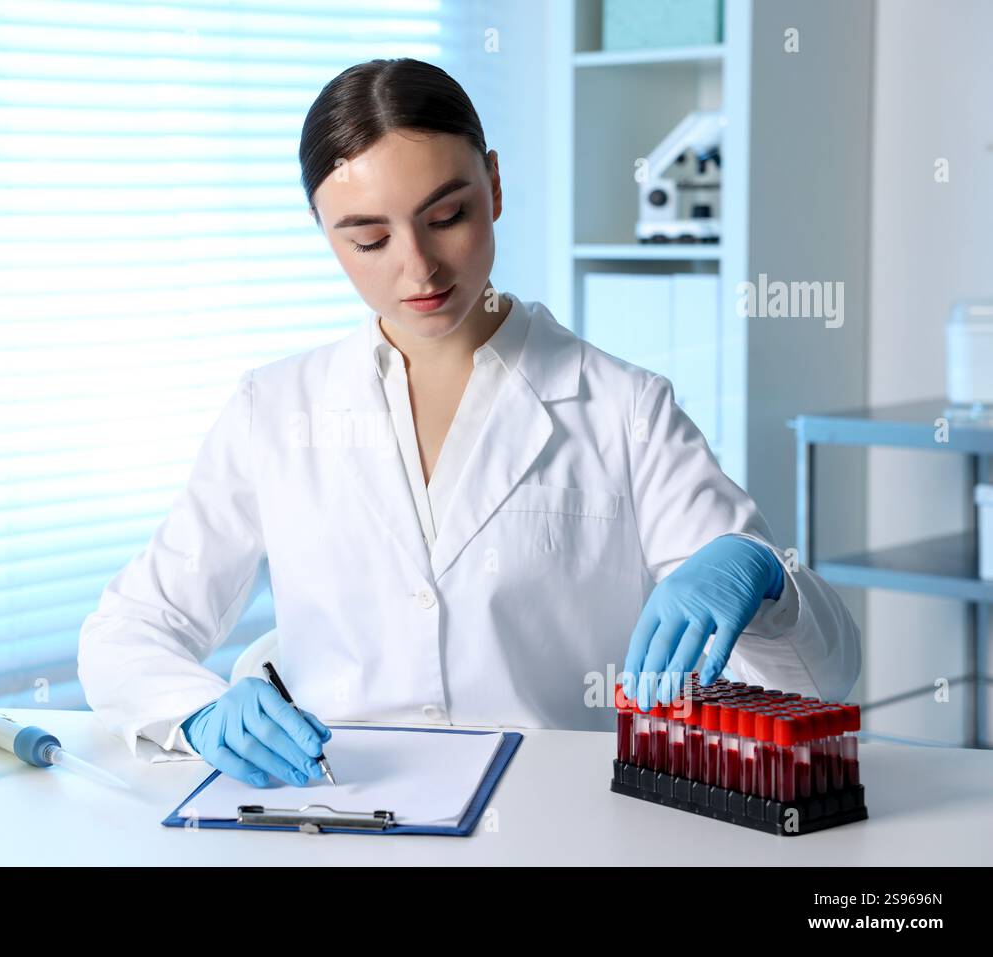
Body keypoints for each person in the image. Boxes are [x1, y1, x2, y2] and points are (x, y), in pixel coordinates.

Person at [78, 58, 860, 789]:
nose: (418, 267)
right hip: (343, 812)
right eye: (370, 238)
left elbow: (822, 674)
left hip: (563, 823)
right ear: (322, 227)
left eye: (446, 215)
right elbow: (126, 632)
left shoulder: (624, 408)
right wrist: (200, 710)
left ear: (493, 183)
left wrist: (759, 578)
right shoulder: (274, 410)